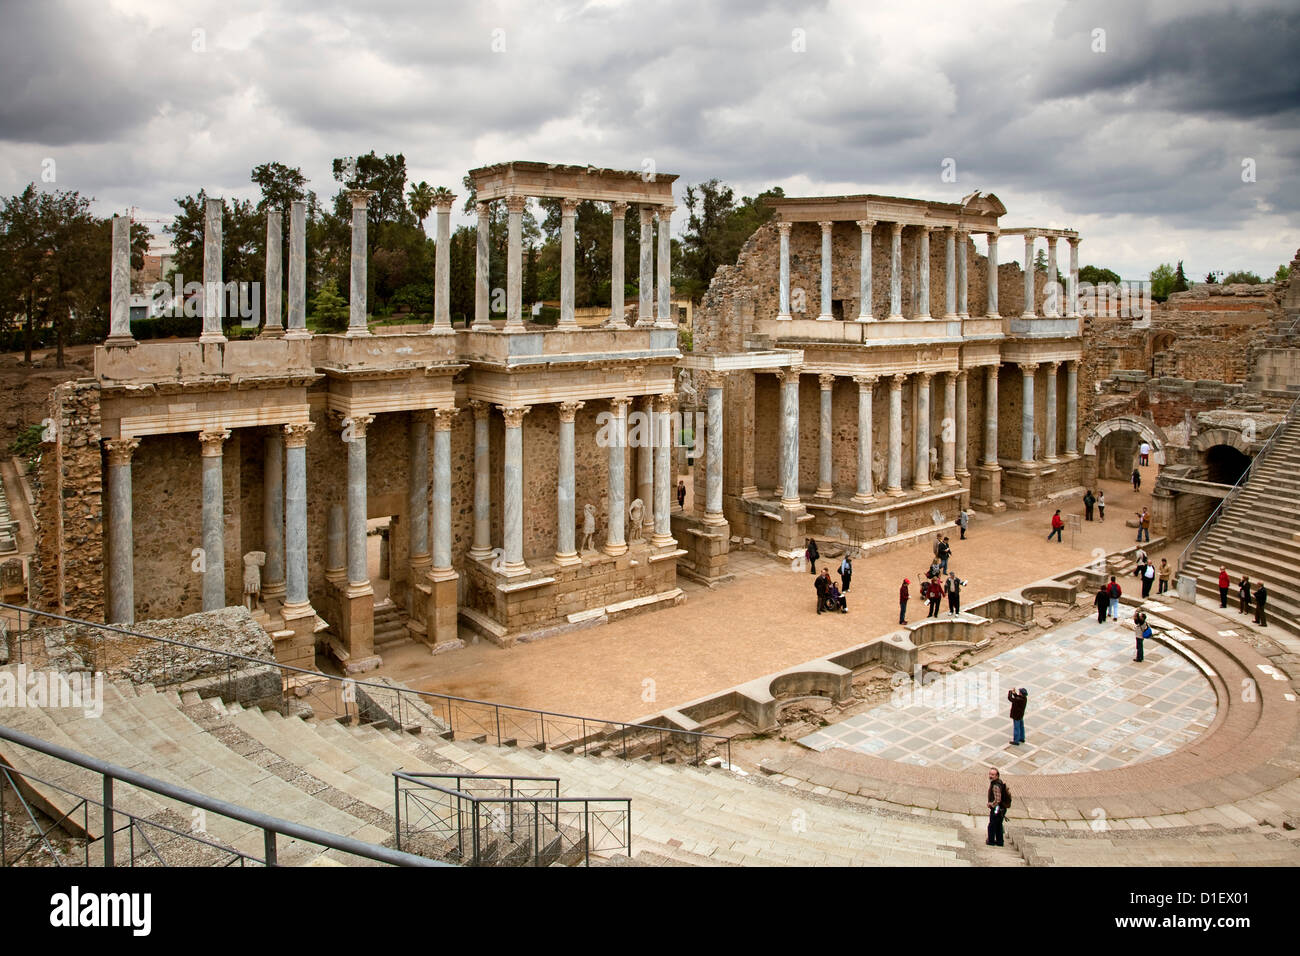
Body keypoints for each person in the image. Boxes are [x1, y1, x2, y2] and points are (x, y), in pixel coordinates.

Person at [986, 769, 1008, 847]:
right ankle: (999, 842)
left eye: (993, 775)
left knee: (992, 825)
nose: (990, 776)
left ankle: (991, 841)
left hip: (997, 808)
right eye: (990, 774)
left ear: (997, 776)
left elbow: (997, 800)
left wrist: (990, 804)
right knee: (998, 825)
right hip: (1002, 808)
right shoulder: (999, 782)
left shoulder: (995, 785)